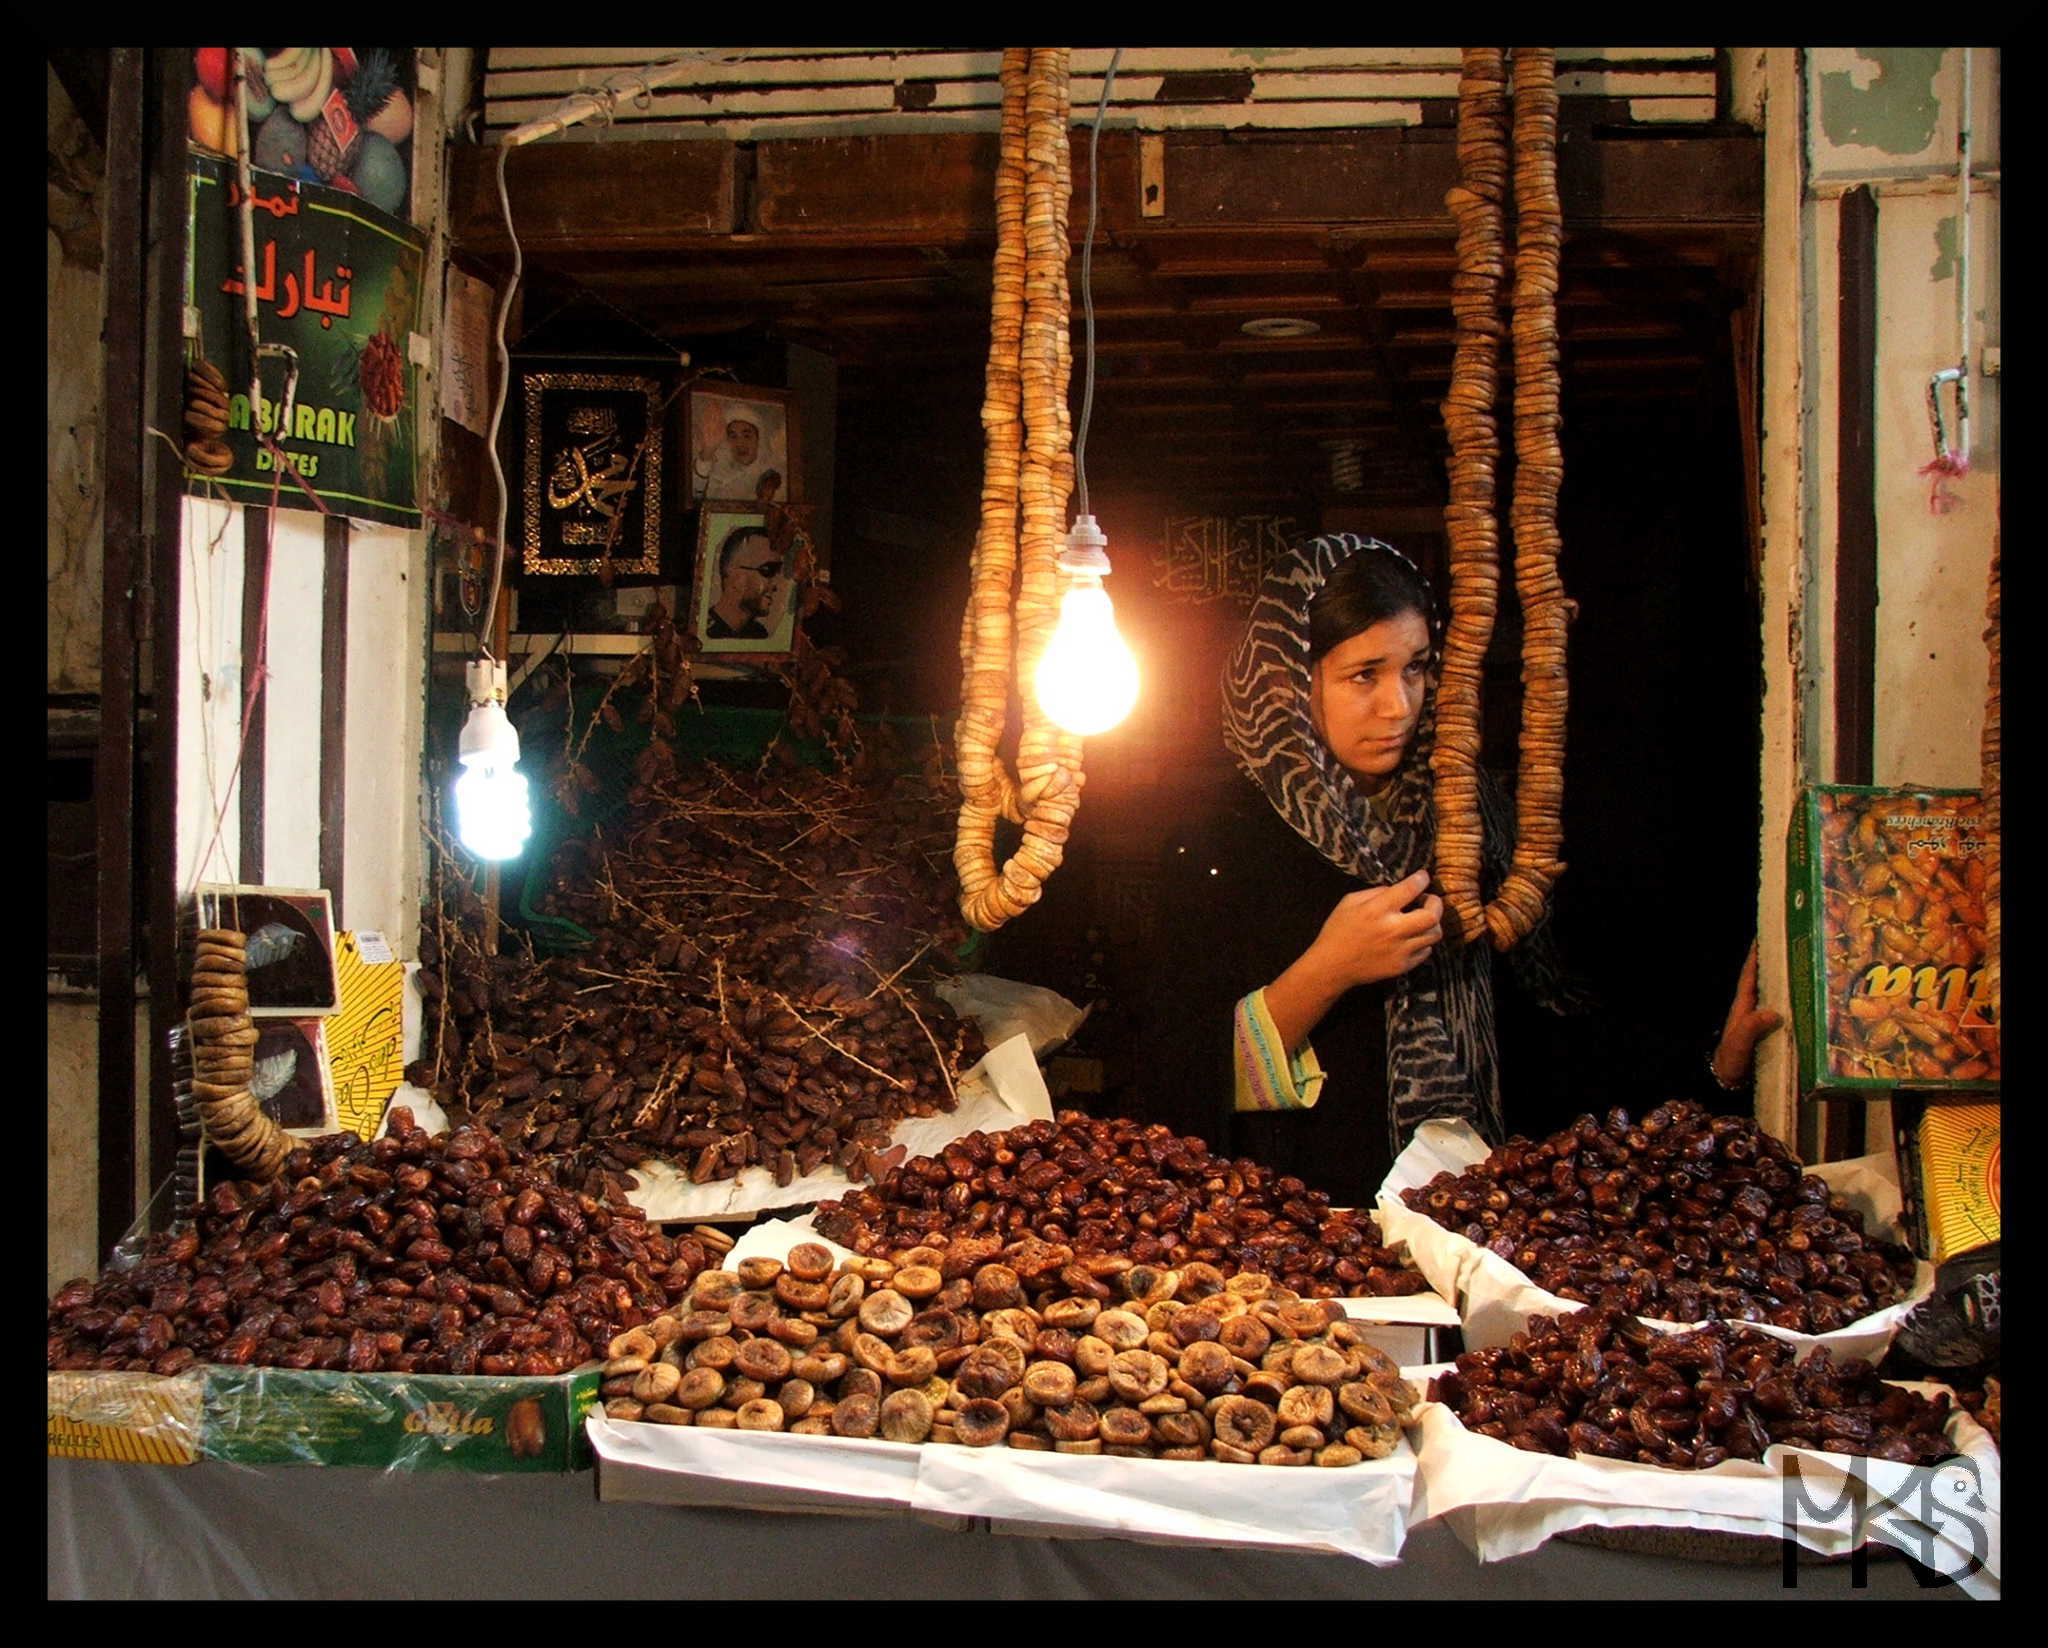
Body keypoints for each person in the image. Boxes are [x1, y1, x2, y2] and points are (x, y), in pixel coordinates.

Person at [1177, 532, 1586, 1205]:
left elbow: (1546, 1030)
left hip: (1484, 1218)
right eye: (1363, 674)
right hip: (1314, 1237)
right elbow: (1181, 1080)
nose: (1398, 705)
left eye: (1417, 668)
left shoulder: (1469, 815)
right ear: (1288, 680)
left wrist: (1716, 1064)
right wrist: (1329, 969)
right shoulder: (1222, 841)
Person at [704, 524, 784, 640]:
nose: (776, 585)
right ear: (736, 577)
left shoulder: (759, 634)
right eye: (768, 571)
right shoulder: (707, 633)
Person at [693, 404, 778, 501]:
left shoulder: (769, 477)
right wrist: (707, 452)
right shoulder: (719, 474)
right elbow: (695, 497)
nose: (740, 443)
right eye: (733, 437)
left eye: (747, 436)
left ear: (758, 440)